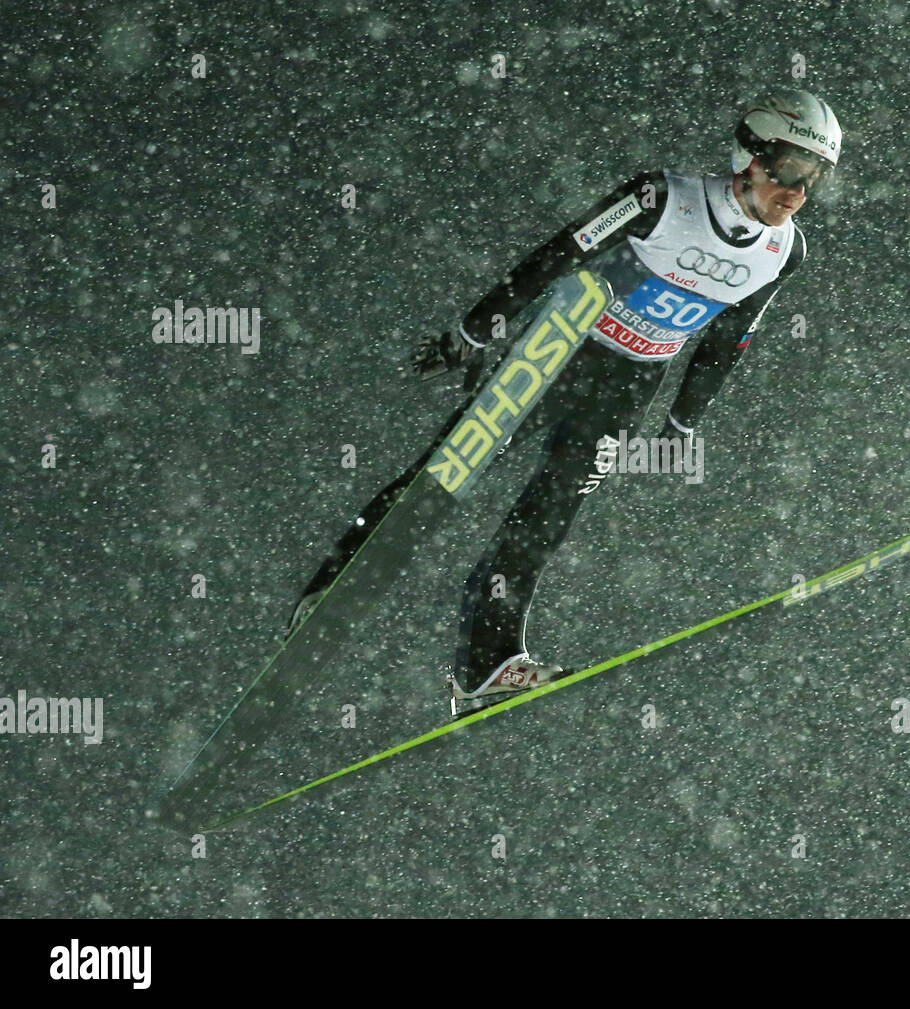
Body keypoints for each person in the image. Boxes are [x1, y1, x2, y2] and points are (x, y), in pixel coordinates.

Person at [290, 88, 843, 715]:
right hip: (559, 354)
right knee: (447, 474)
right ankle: (332, 588)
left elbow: (728, 338)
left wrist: (683, 423)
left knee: (547, 520)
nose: (797, 192)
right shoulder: (663, 198)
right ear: (751, 153)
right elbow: (560, 253)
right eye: (790, 169)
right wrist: (474, 331)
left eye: (814, 177)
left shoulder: (784, 251)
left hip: (630, 385)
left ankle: (488, 666)